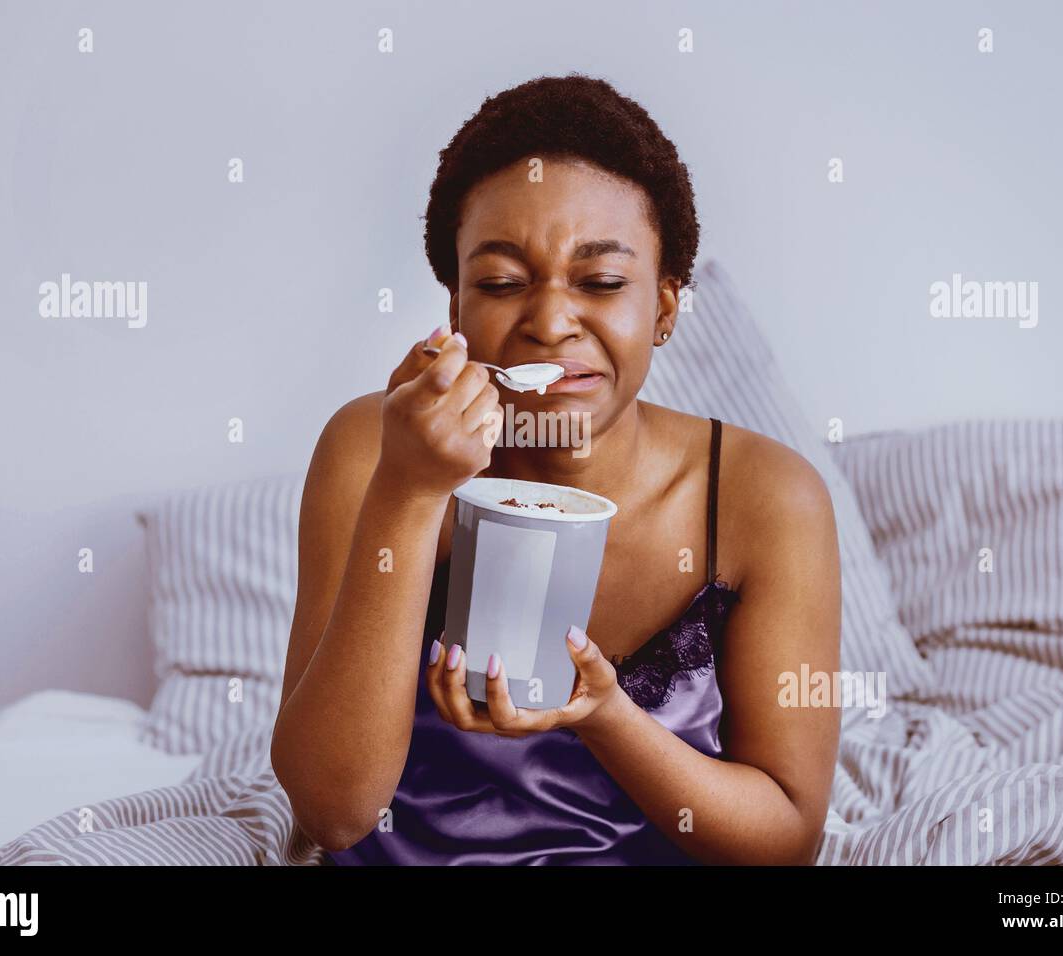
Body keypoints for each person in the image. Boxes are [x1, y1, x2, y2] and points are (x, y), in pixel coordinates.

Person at [270, 73, 841, 865]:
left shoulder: (767, 499)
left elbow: (786, 838)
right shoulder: (374, 448)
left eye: (601, 282)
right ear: (456, 312)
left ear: (666, 307)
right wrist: (409, 490)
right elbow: (331, 813)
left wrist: (605, 715)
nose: (548, 321)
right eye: (502, 284)